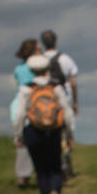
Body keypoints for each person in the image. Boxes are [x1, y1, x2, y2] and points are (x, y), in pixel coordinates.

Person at [12, 52, 75, 194]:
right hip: (53, 131)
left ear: (32, 70)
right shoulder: (56, 87)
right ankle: (55, 192)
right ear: (47, 69)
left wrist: (18, 135)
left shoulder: (26, 89)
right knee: (55, 167)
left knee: (41, 170)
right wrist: (69, 133)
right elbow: (67, 112)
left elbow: (19, 115)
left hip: (33, 130)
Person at [40, 30, 78, 178]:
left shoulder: (39, 59)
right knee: (66, 130)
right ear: (56, 41)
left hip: (44, 100)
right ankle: (66, 159)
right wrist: (75, 101)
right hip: (63, 98)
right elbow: (73, 82)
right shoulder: (65, 59)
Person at [11, 38, 40, 187]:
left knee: (21, 143)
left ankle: (23, 176)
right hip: (34, 103)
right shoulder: (36, 68)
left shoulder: (18, 69)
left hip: (18, 104)